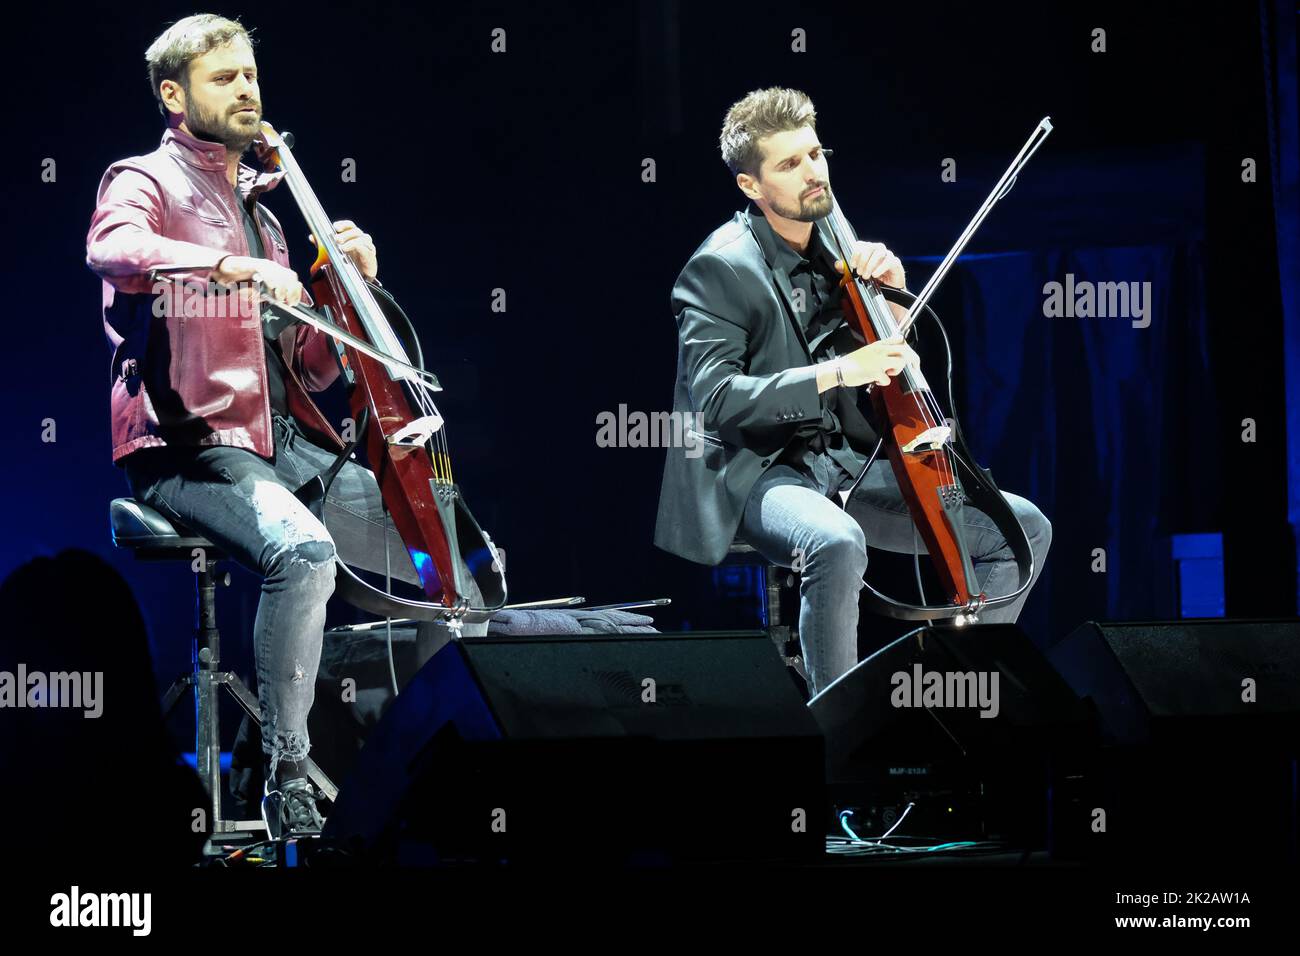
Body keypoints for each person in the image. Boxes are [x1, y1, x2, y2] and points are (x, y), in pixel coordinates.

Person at [86, 14, 481, 838]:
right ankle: (284, 774)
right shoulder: (145, 180)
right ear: (174, 93)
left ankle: (427, 774)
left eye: (251, 76)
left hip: (287, 445)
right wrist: (229, 266)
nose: (246, 90)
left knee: (445, 578)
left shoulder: (266, 213)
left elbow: (310, 369)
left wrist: (345, 288)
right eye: (224, 77)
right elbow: (113, 250)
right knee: (304, 558)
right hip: (192, 445)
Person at [654, 87, 1052, 697]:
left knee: (1021, 528)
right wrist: (839, 372)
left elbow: (884, 359)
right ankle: (836, 731)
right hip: (758, 468)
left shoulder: (835, 236)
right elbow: (717, 401)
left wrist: (893, 296)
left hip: (845, 462)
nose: (814, 172)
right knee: (835, 542)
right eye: (789, 164)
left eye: (816, 154)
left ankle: (957, 696)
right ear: (751, 187)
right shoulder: (719, 268)